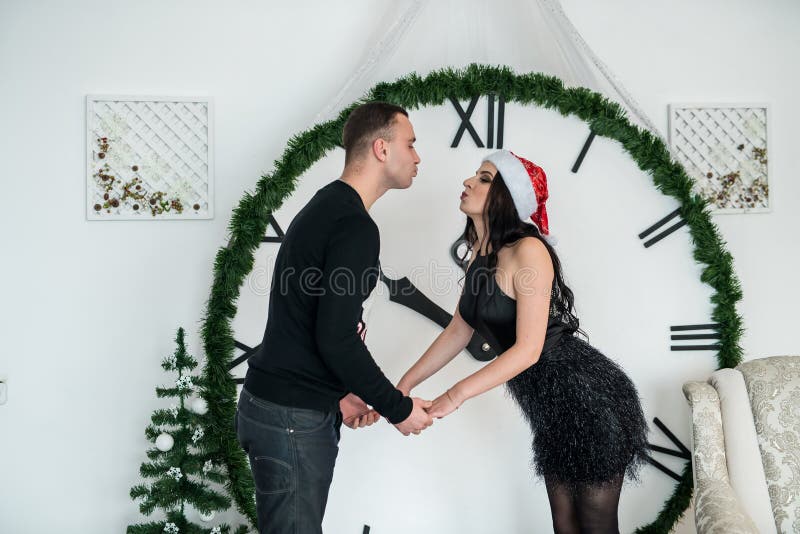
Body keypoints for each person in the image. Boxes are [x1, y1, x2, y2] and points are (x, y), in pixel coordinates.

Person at [397, 150, 649, 534]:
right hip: (550, 409)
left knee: (595, 526)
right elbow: (458, 330)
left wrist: (454, 394)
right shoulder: (481, 257)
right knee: (565, 526)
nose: (468, 181)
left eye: (484, 178)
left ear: (507, 196)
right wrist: (403, 386)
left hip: (590, 399)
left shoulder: (528, 251)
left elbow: (529, 350)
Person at [237, 102, 433, 534]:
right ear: (381, 148)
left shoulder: (327, 204)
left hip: (278, 405)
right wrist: (398, 408)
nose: (417, 156)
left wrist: (337, 393)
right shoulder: (354, 225)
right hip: (291, 419)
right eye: (410, 144)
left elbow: (304, 319)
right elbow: (336, 337)